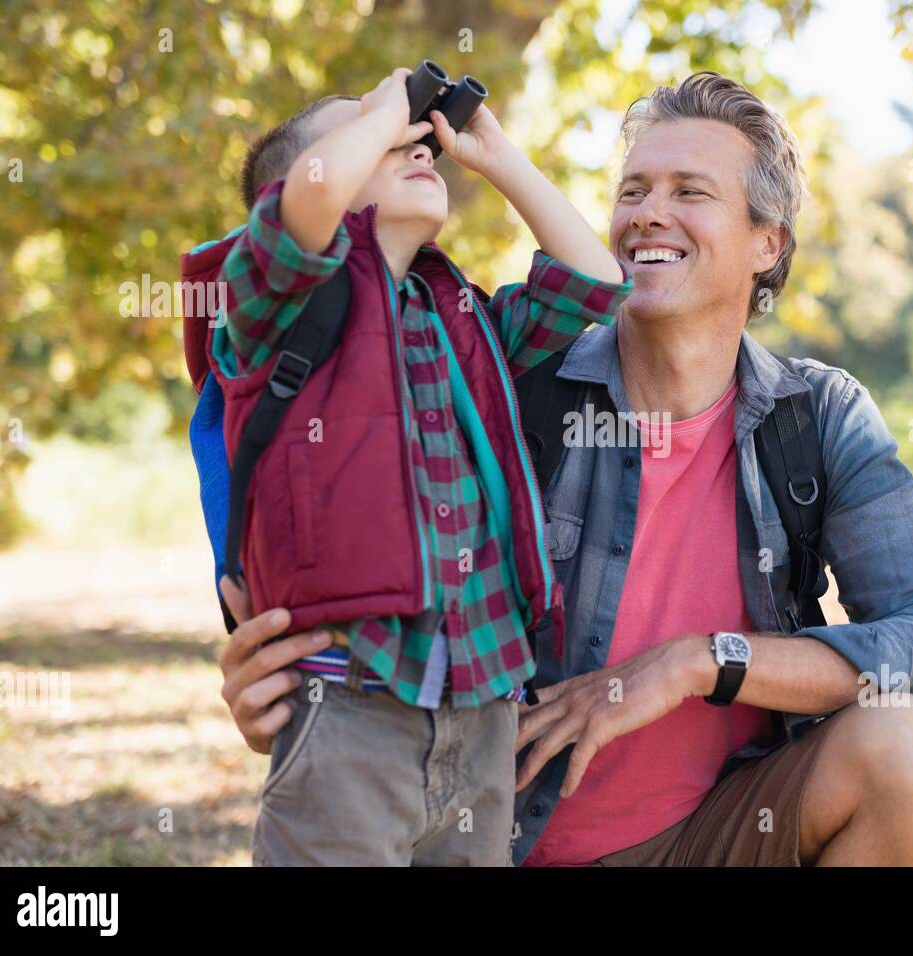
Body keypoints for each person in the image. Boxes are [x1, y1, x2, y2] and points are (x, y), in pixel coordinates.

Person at [210, 71, 913, 867]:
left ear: (768, 241)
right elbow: (328, 482)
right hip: (498, 838)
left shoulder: (815, 418)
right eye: (635, 189)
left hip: (714, 835)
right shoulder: (502, 374)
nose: (649, 212)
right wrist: (302, 681)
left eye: (691, 191)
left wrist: (697, 662)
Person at [186, 66, 630, 865]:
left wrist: (496, 158)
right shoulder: (271, 304)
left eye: (417, 133)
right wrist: (384, 102)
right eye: (377, 135)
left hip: (484, 704)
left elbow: (595, 283)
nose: (413, 138)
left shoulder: (462, 317)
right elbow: (306, 207)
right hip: (351, 701)